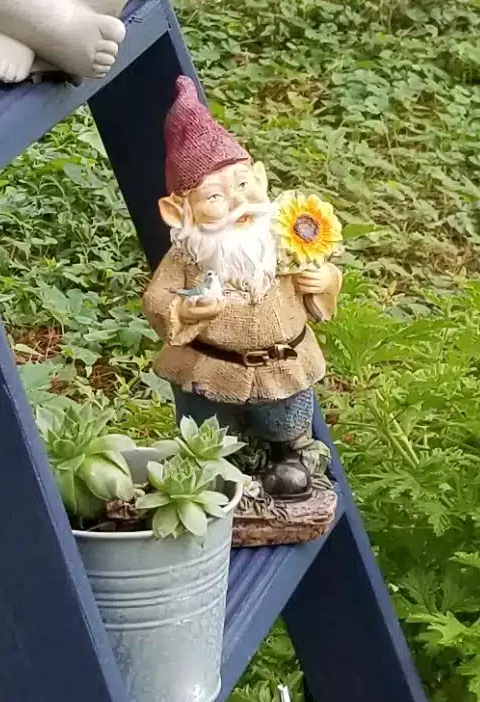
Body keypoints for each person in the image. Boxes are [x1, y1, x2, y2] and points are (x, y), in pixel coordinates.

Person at [141, 78, 343, 540]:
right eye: (214, 196)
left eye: (243, 184)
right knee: (206, 425)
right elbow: (156, 299)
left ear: (263, 180)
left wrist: (326, 281)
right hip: (213, 368)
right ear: (178, 212)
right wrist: (186, 314)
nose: (236, 202)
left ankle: (289, 457)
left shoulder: (286, 241)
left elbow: (323, 289)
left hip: (283, 365)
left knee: (288, 416)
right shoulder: (188, 258)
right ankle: (217, 465)